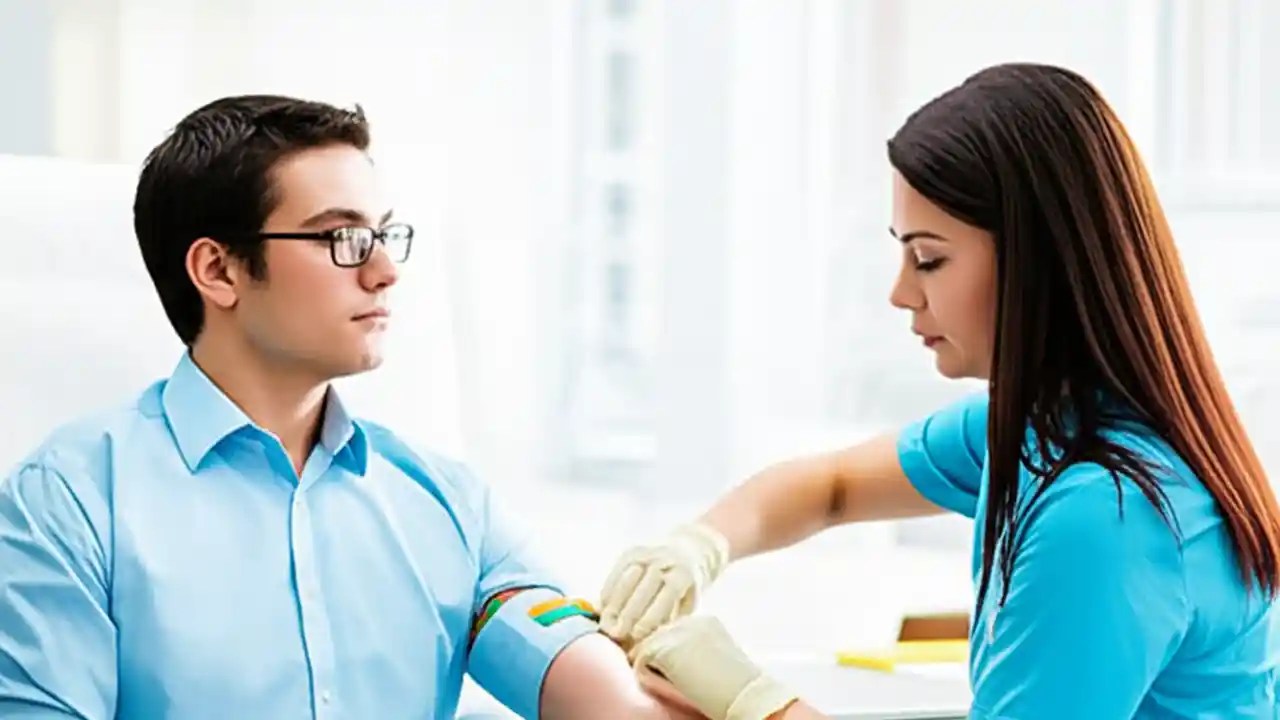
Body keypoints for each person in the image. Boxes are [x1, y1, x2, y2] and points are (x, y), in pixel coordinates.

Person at [597, 63, 1280, 719]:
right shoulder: (1042, 430)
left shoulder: (1108, 516)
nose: (900, 292)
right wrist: (698, 546)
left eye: (928, 259)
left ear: (1038, 261)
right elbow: (832, 487)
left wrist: (751, 700)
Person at [0, 95, 701, 720]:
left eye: (383, 235)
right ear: (218, 270)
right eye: (341, 238)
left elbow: (605, 698)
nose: (385, 271)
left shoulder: (449, 505)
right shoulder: (67, 504)